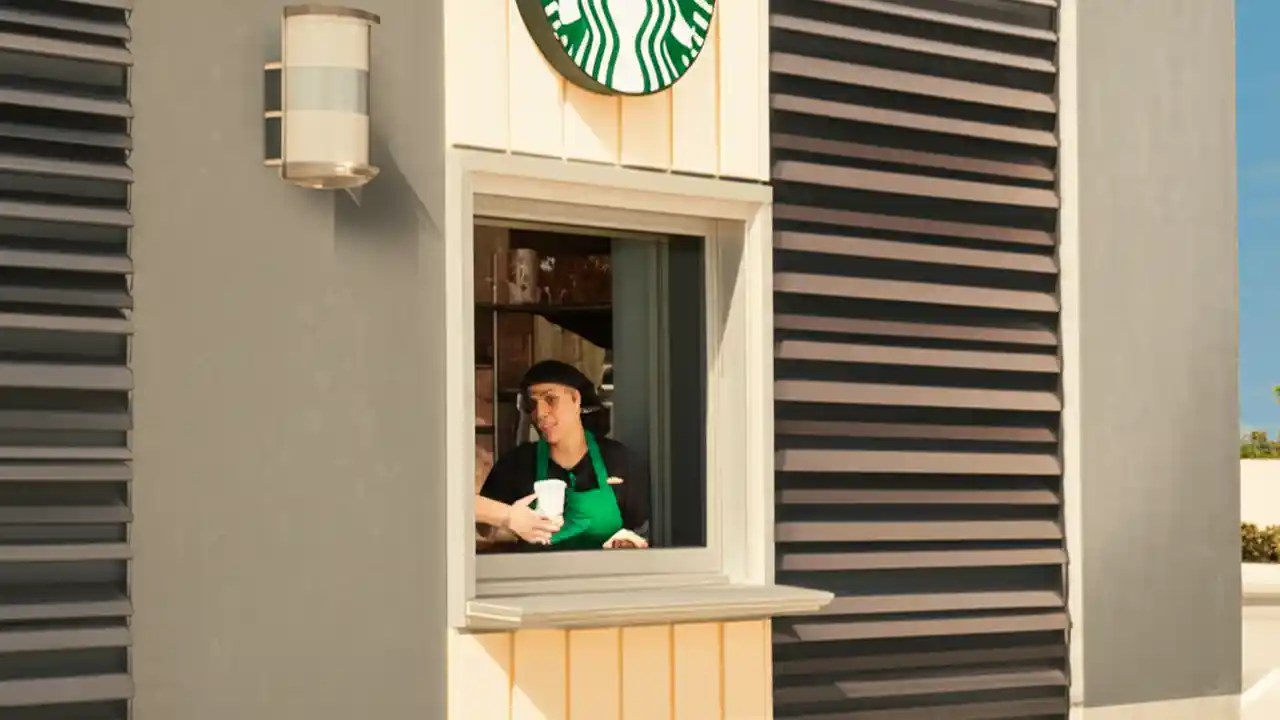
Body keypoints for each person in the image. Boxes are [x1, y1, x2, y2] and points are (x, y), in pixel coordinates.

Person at [479, 360, 650, 551]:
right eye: (533, 403)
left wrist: (628, 543)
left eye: (550, 399)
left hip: (604, 579)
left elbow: (644, 532)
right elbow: (483, 529)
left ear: (576, 399)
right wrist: (506, 525)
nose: (540, 413)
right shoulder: (515, 465)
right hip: (534, 579)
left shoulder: (620, 462)